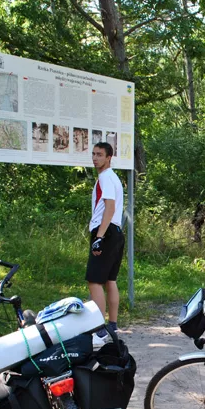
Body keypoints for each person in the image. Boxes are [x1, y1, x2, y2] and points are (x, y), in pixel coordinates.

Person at [86, 142, 124, 346]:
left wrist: (99, 236)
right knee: (110, 280)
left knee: (94, 280)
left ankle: (100, 330)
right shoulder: (113, 178)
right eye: (93, 154)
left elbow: (109, 207)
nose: (95, 158)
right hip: (116, 231)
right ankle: (112, 324)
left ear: (109, 157)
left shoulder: (106, 177)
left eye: (99, 154)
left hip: (106, 232)